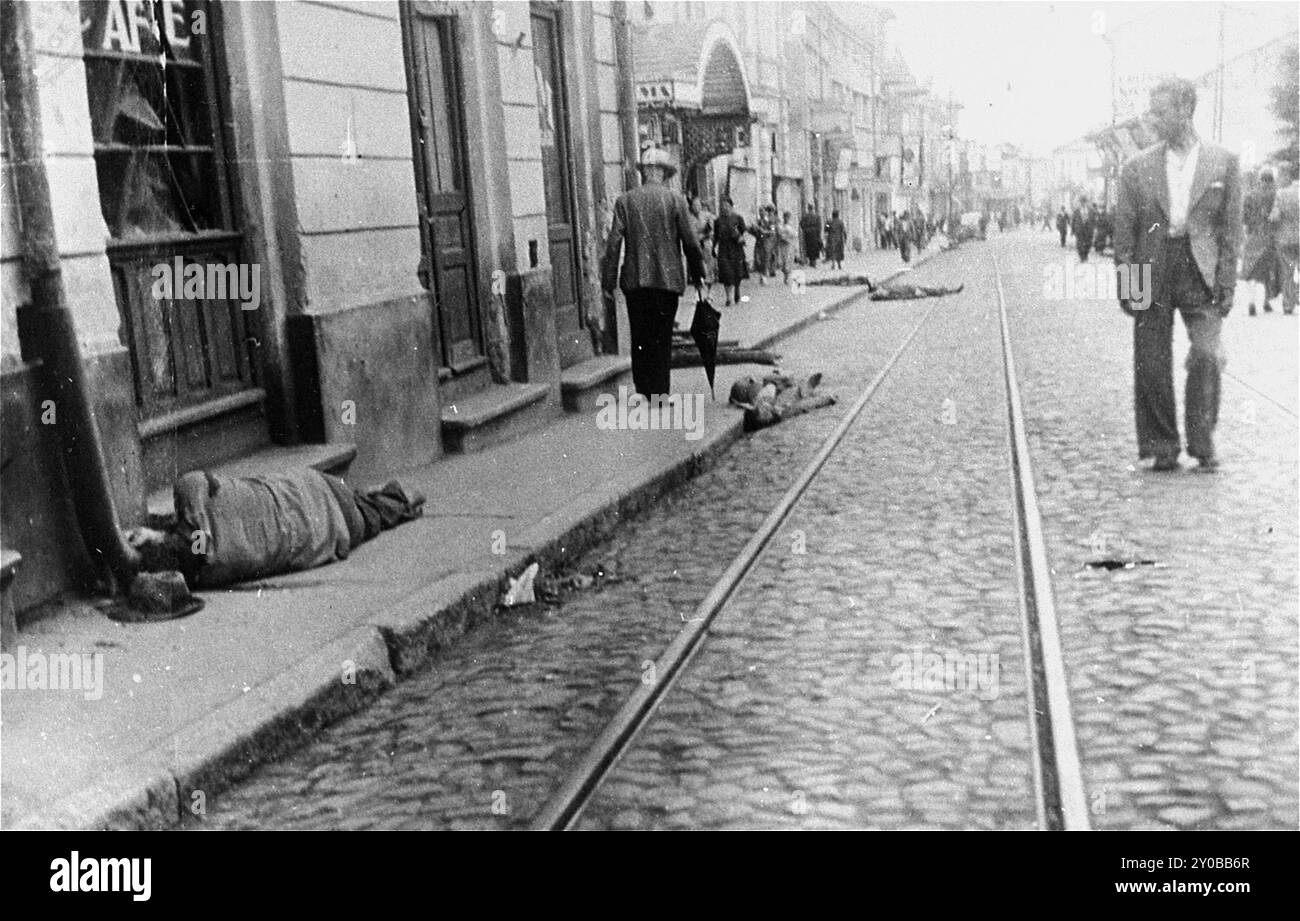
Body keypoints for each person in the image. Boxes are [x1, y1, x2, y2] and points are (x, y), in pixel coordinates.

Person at [1114, 76, 1242, 473]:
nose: (1152, 119)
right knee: (1151, 359)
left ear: (1186, 110)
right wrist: (1129, 287)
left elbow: (1231, 231)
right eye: (1151, 111)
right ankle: (1162, 445)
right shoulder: (1136, 169)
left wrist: (1226, 283)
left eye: (1161, 111)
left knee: (1207, 354)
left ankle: (1202, 442)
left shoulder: (1224, 162)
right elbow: (1125, 235)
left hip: (1199, 268)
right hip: (1151, 266)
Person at [128, 469, 425, 589]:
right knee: (365, 507)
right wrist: (159, 536)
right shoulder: (195, 490)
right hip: (316, 499)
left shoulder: (206, 570)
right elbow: (197, 535)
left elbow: (196, 543)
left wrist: (159, 538)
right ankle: (398, 497)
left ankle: (394, 498)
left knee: (366, 509)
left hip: (318, 517)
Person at [600, 147, 705, 398]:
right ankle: (659, 393)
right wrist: (699, 274)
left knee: (639, 336)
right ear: (664, 173)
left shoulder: (625, 201)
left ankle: (643, 390)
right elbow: (690, 242)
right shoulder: (675, 200)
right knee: (662, 336)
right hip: (667, 281)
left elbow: (614, 243)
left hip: (635, 280)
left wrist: (608, 281)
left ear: (645, 172)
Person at [1241, 167, 1278, 316]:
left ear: (1259, 179)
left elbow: (1244, 219)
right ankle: (1266, 302)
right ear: (1272, 180)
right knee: (1268, 271)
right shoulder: (1274, 195)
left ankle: (1251, 303)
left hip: (1252, 237)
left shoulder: (1249, 195)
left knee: (1250, 272)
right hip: (1268, 237)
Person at [1271, 162, 1298, 315]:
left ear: (1286, 175)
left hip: (1286, 239)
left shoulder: (1281, 194)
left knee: (1287, 272)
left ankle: (1288, 305)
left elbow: (1275, 216)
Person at [713, 196, 748, 306]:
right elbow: (715, 236)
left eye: (727, 206)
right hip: (723, 249)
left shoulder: (738, 218)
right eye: (723, 206)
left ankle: (737, 289)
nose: (725, 208)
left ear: (731, 206)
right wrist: (713, 248)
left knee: (737, 273)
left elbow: (744, 232)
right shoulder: (718, 221)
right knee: (726, 273)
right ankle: (728, 297)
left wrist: (741, 238)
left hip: (736, 248)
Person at [689, 194, 717, 300]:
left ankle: (709, 292)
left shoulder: (707, 215)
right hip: (694, 244)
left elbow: (712, 229)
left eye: (698, 205)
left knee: (708, 267)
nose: (696, 207)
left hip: (706, 243)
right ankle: (698, 291)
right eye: (694, 205)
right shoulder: (689, 217)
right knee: (696, 267)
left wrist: (706, 234)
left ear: (701, 206)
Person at [749, 204, 777, 285]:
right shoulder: (758, 221)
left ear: (765, 212)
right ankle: (762, 275)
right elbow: (755, 232)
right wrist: (752, 230)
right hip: (759, 242)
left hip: (766, 242)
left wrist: (763, 231)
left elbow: (772, 232)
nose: (760, 213)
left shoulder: (770, 221)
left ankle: (764, 276)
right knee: (757, 259)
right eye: (759, 211)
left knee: (765, 259)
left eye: (762, 211)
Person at [776, 210, 796, 284]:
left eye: (788, 217)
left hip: (789, 245)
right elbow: (780, 234)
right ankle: (785, 275)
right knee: (784, 260)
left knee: (788, 260)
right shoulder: (781, 226)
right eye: (786, 217)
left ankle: (787, 277)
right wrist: (783, 237)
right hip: (783, 245)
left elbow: (794, 234)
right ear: (784, 217)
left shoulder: (790, 225)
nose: (787, 219)